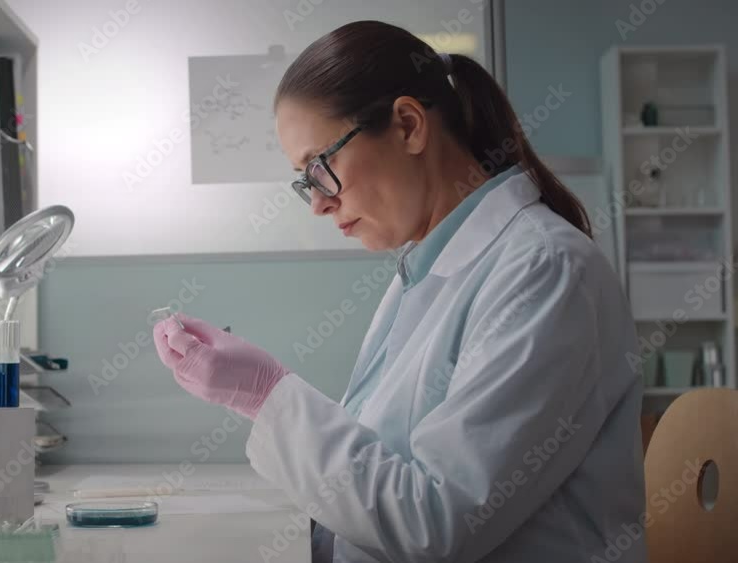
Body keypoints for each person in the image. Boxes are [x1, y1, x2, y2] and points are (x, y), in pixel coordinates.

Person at [153, 20, 646, 563]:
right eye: (304, 179)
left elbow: (432, 524)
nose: (317, 203)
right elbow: (381, 472)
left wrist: (267, 394)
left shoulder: (545, 273)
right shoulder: (423, 271)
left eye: (321, 166)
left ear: (409, 126)